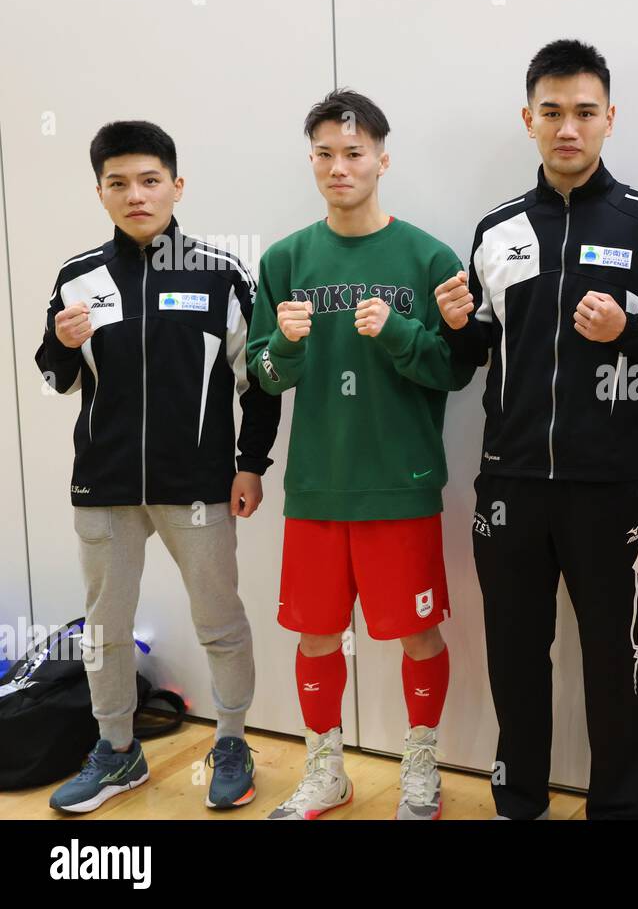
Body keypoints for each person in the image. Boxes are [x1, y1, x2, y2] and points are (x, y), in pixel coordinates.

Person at [434, 40, 638, 820]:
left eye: (585, 112)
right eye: (552, 112)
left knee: (616, 658)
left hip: (605, 481)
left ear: (610, 119)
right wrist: (457, 326)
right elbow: (473, 355)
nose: (568, 127)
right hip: (510, 481)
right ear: (529, 119)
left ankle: (620, 808)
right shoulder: (497, 230)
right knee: (516, 658)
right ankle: (518, 800)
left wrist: (628, 327)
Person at [38, 120, 280, 813]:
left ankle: (231, 741)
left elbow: (257, 380)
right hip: (104, 485)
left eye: (150, 181)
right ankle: (117, 753)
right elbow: (57, 380)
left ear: (177, 186)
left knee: (220, 620)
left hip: (196, 485)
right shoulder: (78, 278)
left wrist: (250, 464)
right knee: (105, 629)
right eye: (119, 183)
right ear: (100, 192)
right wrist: (60, 345)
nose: (136, 195)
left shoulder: (220, 272)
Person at [247, 89, 473, 820]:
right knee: (316, 634)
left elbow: (454, 370)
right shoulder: (284, 259)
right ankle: (326, 770)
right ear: (310, 160)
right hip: (317, 484)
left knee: (417, 630)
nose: (338, 168)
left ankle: (420, 764)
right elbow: (263, 377)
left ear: (382, 158)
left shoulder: (428, 255)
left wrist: (403, 334)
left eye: (353, 153)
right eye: (324, 155)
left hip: (400, 482)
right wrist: (284, 344)